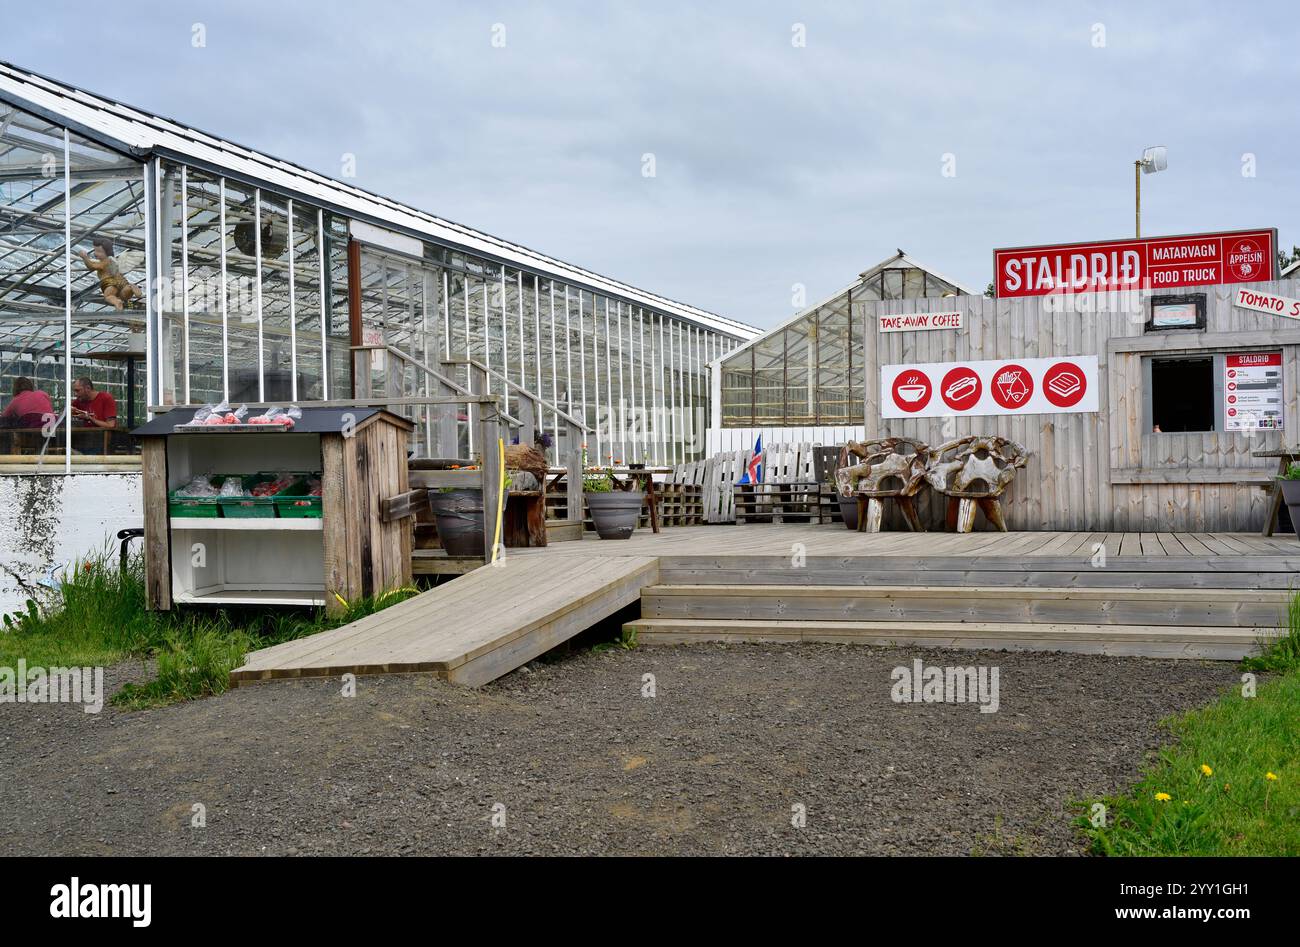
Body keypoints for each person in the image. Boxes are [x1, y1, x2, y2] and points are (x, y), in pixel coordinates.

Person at [78, 237, 140, 311]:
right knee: (124, 296)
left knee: (109, 296)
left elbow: (92, 266)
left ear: (107, 252)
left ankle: (117, 302)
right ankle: (130, 288)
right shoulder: (113, 261)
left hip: (110, 282)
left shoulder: (105, 262)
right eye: (95, 250)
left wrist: (85, 258)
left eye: (99, 251)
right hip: (122, 281)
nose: (95, 253)